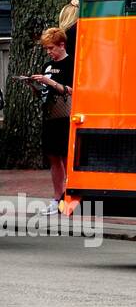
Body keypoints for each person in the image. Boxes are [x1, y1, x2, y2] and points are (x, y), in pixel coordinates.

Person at [24, 28, 75, 216]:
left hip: (65, 116)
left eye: (51, 48)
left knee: (66, 157)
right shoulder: (47, 65)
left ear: (62, 45)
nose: (48, 52)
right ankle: (56, 197)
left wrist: (50, 82)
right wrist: (35, 86)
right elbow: (44, 94)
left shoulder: (71, 63)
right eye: (46, 49)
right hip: (50, 116)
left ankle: (69, 198)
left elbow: (72, 91)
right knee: (54, 158)